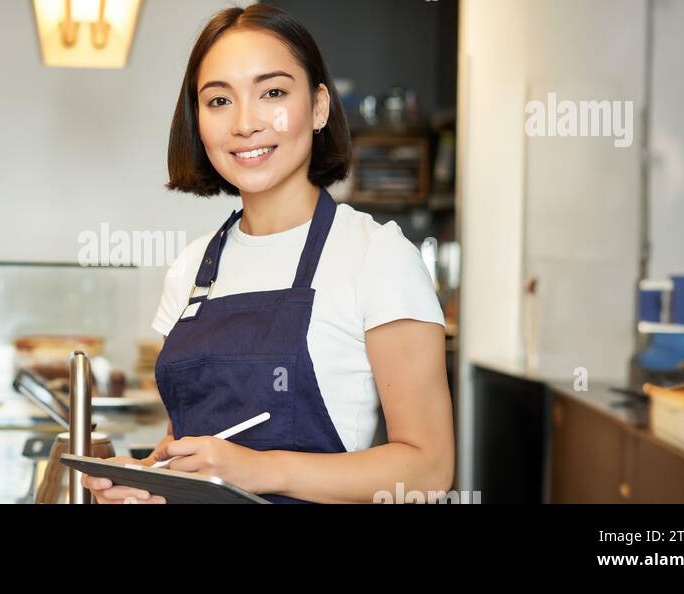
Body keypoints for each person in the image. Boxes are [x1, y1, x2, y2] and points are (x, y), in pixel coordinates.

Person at [82, 5, 453, 504]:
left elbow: (428, 470)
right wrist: (147, 477)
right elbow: (188, 448)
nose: (245, 123)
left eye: (273, 92)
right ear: (198, 119)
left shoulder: (378, 257)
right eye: (218, 100)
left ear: (319, 107)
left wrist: (257, 470)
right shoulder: (192, 268)